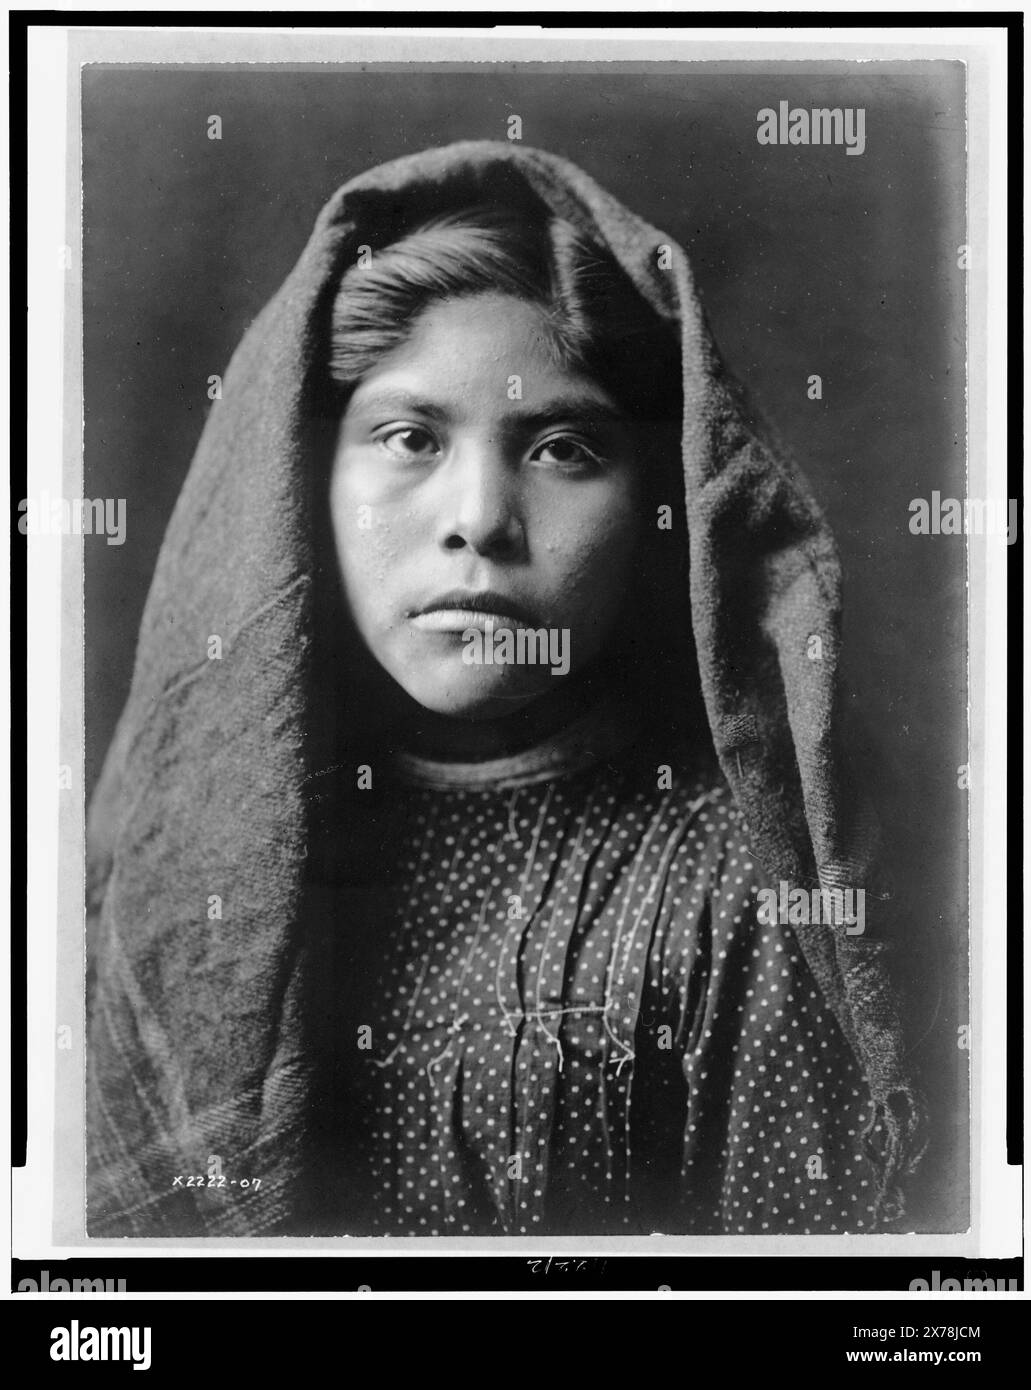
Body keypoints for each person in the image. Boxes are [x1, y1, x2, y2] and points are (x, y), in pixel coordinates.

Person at [86, 141, 926, 1238]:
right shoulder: (175, 877)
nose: (479, 517)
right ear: (299, 487)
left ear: (658, 509)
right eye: (407, 438)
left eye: (563, 448)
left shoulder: (731, 896)